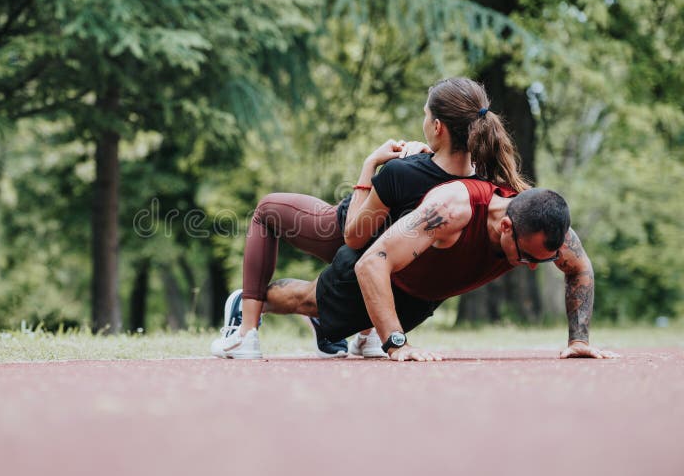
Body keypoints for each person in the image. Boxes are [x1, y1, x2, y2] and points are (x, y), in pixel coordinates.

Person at [212, 77, 531, 359]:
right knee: (327, 286)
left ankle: (245, 334)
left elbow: (354, 234)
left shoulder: (405, 172)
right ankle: (365, 337)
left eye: (425, 115)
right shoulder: (488, 184)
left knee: (266, 210)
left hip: (354, 233)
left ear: (438, 127)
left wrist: (371, 164)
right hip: (402, 272)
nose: (424, 122)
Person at [215, 179, 619, 361]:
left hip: (424, 295)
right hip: (383, 273)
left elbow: (580, 269)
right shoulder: (452, 209)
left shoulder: (547, 231)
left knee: (329, 316)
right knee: (309, 301)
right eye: (526, 258)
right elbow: (374, 262)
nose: (531, 268)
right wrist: (396, 342)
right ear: (507, 226)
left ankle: (331, 327)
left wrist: (579, 338)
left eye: (541, 261)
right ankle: (248, 305)